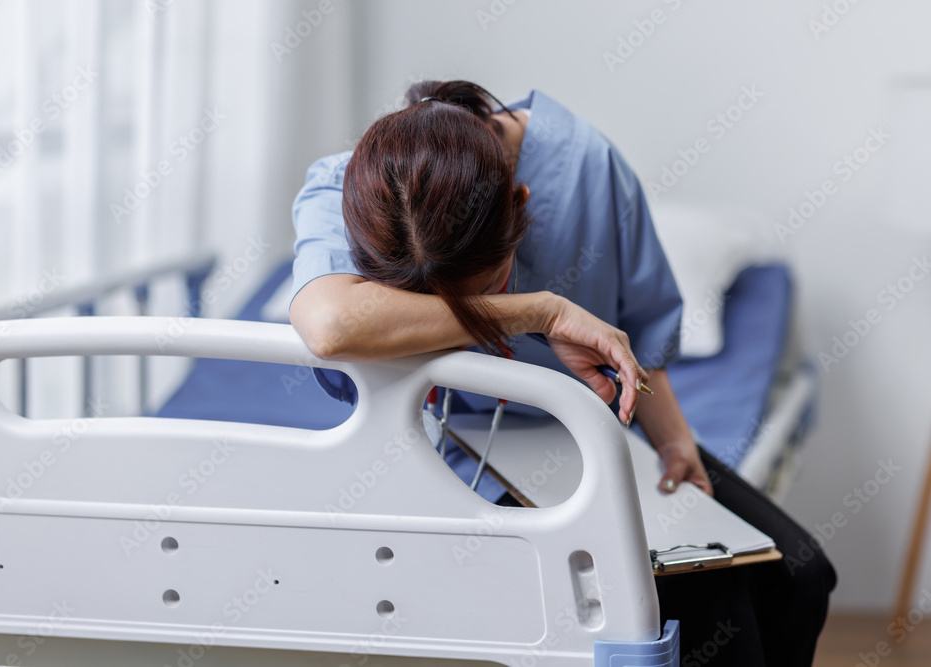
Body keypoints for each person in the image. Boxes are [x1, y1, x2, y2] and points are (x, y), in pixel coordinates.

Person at [288, 79, 836, 665]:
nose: (454, 311)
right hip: (445, 448)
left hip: (575, 442)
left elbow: (641, 329)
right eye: (418, 298)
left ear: (521, 207)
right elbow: (330, 328)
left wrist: (675, 441)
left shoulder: (586, 169)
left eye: (477, 292)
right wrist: (539, 311)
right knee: (704, 593)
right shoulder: (347, 188)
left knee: (801, 575)